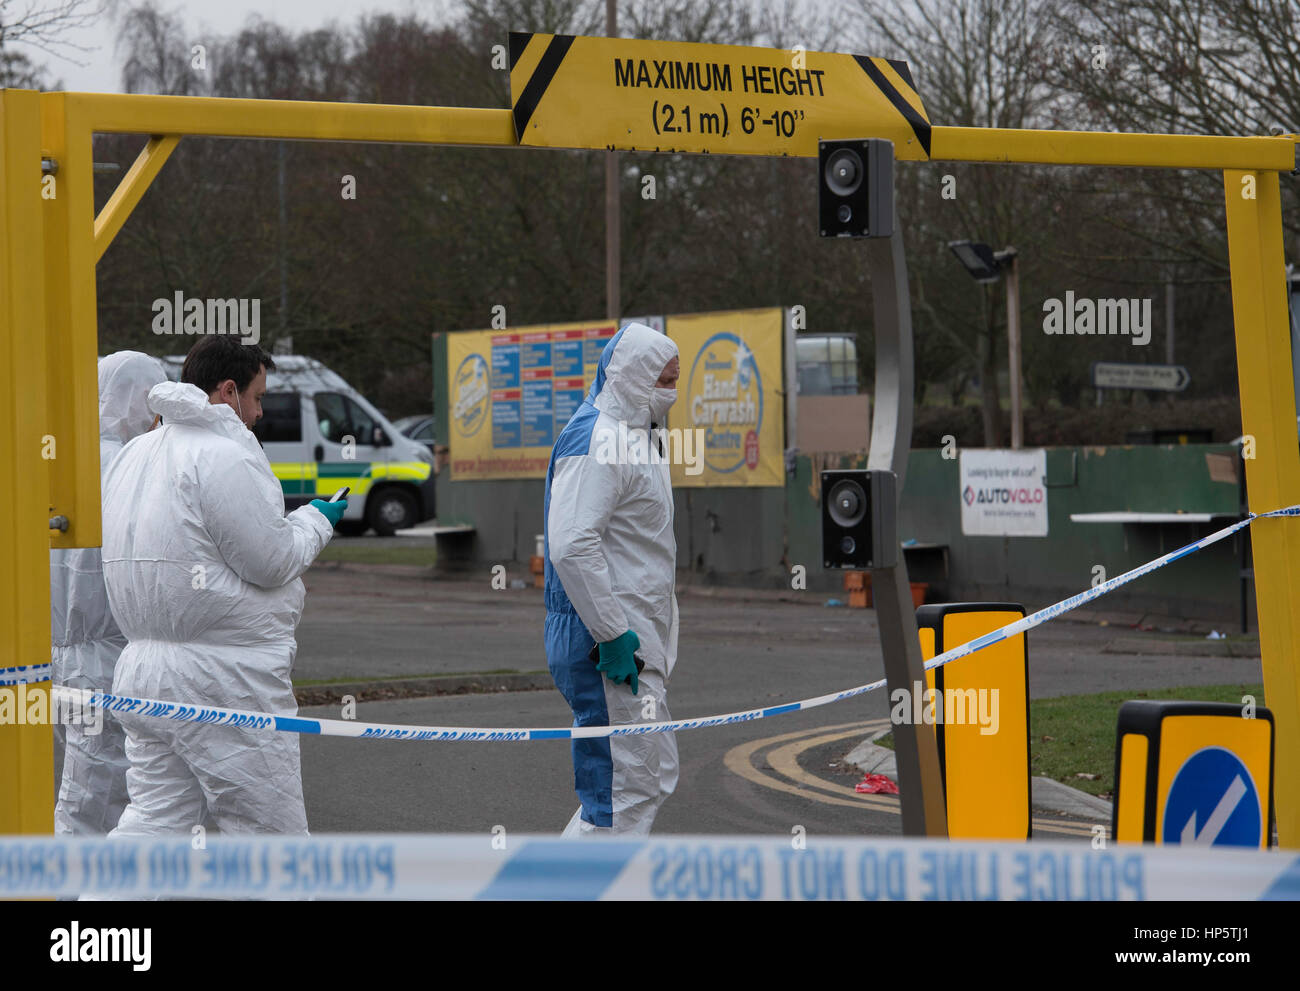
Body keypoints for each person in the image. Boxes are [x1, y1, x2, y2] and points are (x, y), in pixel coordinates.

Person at [102, 337, 347, 837]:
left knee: (152, 822)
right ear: (229, 391)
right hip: (225, 682)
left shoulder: (135, 455)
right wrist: (317, 520)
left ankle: (97, 917)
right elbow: (273, 561)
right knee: (269, 839)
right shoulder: (226, 454)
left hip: (144, 674)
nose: (258, 413)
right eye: (257, 397)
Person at [544, 322, 681, 836]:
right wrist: (612, 634)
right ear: (634, 376)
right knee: (622, 790)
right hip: (606, 647)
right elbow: (572, 546)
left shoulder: (638, 433)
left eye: (675, 379)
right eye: (663, 378)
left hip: (631, 643)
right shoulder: (599, 438)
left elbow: (640, 547)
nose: (671, 390)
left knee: (647, 777)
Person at [51, 351, 167, 835]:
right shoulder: (131, 468)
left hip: (52, 657)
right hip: (107, 660)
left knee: (59, 786)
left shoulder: (59, 462)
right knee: (97, 799)